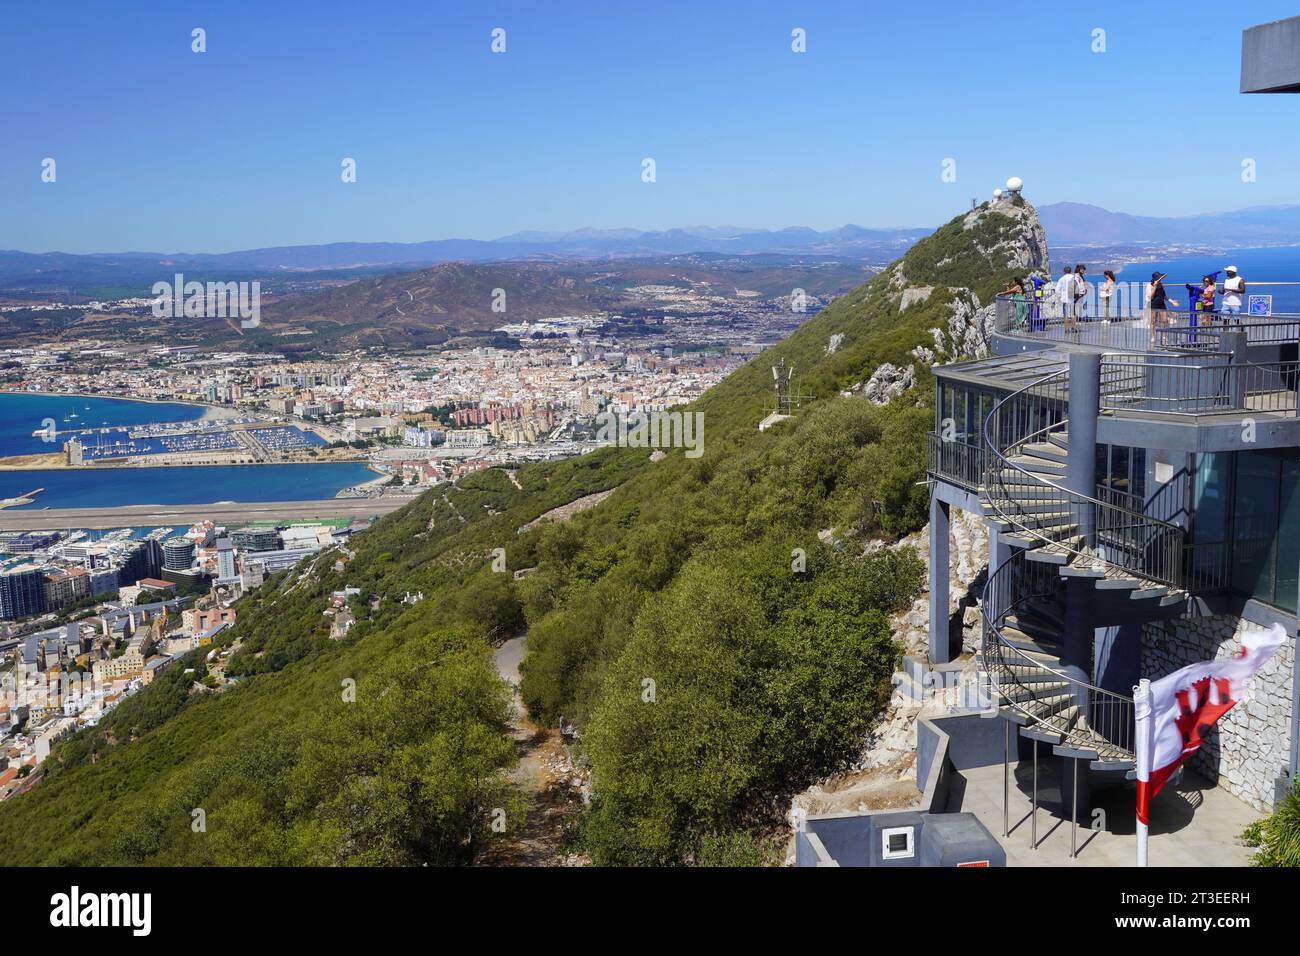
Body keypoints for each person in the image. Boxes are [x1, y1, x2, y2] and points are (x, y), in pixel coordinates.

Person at [1147, 272, 1179, 344]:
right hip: (1153, 305)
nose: (1160, 280)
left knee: (1165, 320)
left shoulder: (1161, 286)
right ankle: (1153, 336)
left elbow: (1164, 296)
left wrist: (1172, 301)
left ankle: (1164, 336)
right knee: (1153, 321)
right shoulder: (1150, 285)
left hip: (1161, 304)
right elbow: (1150, 297)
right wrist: (1155, 287)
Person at [1056, 266, 1077, 332]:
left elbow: (1057, 290)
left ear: (1064, 271)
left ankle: (1066, 329)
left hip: (1065, 299)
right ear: (1070, 271)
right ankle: (1074, 328)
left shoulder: (1061, 279)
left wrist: (1060, 296)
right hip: (1072, 298)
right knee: (1073, 314)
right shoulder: (1074, 278)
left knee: (1066, 314)